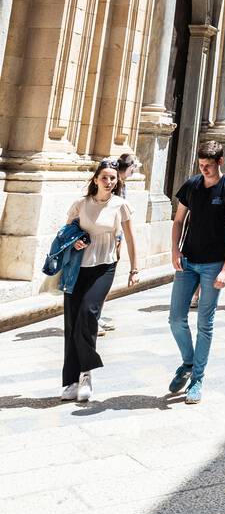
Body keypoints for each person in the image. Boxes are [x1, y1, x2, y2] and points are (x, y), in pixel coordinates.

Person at [168, 142, 225, 404]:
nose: (204, 170)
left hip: (213, 265)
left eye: (208, 166)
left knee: (204, 323)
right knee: (175, 318)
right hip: (187, 261)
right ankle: (188, 362)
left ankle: (197, 379)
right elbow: (178, 221)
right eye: (201, 166)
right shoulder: (192, 185)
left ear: (220, 162)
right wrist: (175, 251)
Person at [60, 159, 139, 402]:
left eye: (113, 178)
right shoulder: (80, 205)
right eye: (104, 177)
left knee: (88, 313)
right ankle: (70, 381)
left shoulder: (120, 205)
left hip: (104, 267)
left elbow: (130, 236)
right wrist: (75, 241)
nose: (108, 182)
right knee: (72, 323)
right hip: (77, 268)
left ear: (117, 182)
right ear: (95, 179)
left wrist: (134, 269)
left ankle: (86, 374)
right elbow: (66, 234)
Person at [100, 150, 139, 336]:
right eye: (134, 168)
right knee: (101, 280)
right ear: (130, 167)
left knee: (105, 280)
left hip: (116, 236)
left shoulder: (120, 184)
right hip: (109, 236)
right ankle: (93, 318)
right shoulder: (117, 185)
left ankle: (96, 316)